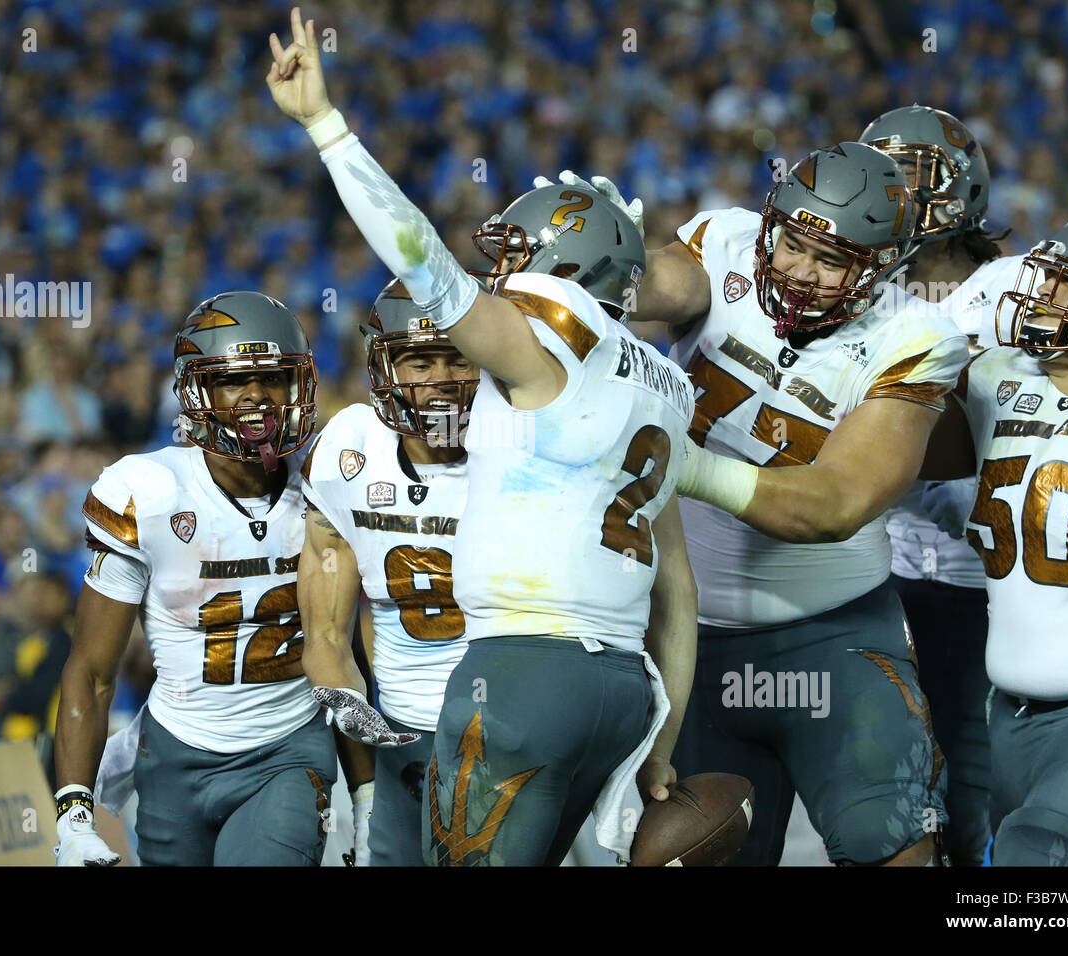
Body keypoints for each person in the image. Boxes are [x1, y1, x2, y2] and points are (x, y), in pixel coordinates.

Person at [267, 8, 697, 866]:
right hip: (625, 687)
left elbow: (423, 263)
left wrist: (327, 128)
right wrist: (664, 739)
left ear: (564, 274)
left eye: (518, 259)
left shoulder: (543, 350)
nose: (501, 276)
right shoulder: (663, 383)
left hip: (524, 673)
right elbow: (677, 595)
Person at [569, 139, 967, 864]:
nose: (800, 272)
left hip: (834, 638)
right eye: (792, 243)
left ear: (881, 268)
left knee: (899, 850)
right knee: (689, 851)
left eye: (832, 259)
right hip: (687, 638)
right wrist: (591, 263)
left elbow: (832, 503)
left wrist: (675, 461)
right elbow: (660, 287)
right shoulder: (725, 243)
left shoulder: (915, 336)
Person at [53, 290, 337, 866]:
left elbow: (347, 649)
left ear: (299, 385)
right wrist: (74, 815)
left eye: (275, 379)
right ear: (197, 391)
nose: (257, 397)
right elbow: (92, 671)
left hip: (287, 746)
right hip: (176, 753)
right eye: (234, 380)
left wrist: (369, 791)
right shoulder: (149, 491)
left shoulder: (331, 481)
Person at [922, 211, 1068, 866]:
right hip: (1005, 714)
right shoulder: (997, 379)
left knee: (1030, 868)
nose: (1041, 297)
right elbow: (890, 423)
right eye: (1045, 279)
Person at [857, 104, 1020, 864]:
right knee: (894, 788)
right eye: (883, 176)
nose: (900, 194)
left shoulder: (1022, 289)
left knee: (980, 781)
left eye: (916, 176)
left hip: (996, 582)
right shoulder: (854, 298)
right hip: (884, 580)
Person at [300, 279, 479, 865]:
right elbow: (327, 632)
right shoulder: (349, 450)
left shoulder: (524, 445)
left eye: (459, 357)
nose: (442, 380)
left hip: (512, 725)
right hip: (403, 732)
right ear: (384, 367)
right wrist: (358, 731)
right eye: (420, 361)